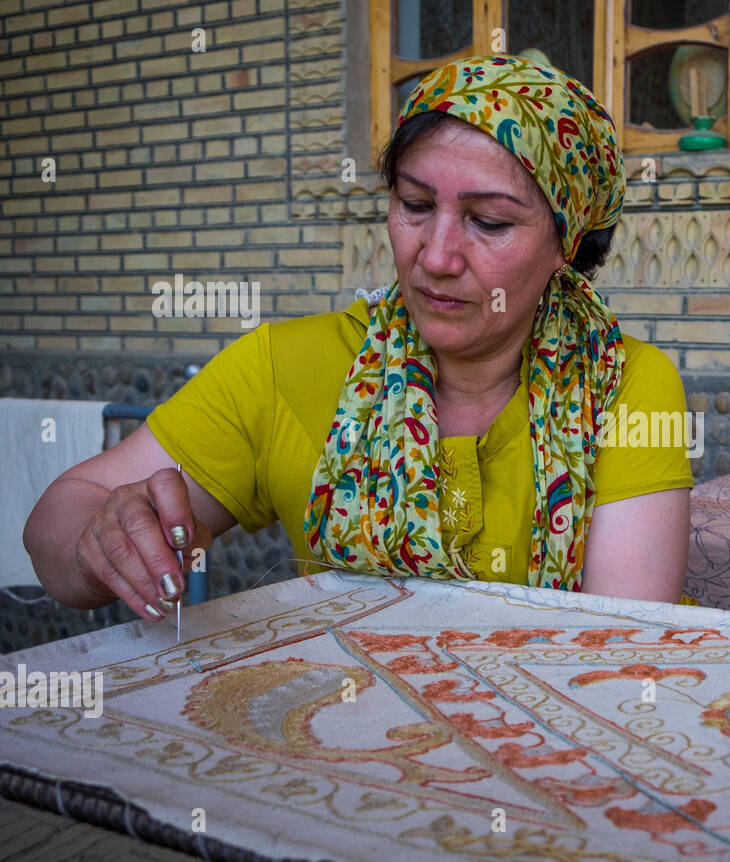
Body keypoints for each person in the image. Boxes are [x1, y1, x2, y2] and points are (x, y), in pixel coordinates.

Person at [25, 55, 694, 620]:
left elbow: (620, 647)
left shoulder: (623, 384)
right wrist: (104, 539)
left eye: (489, 222)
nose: (435, 256)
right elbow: (58, 520)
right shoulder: (286, 366)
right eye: (415, 205)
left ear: (566, 245)